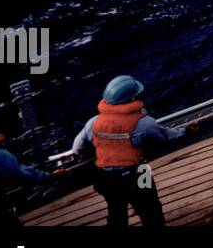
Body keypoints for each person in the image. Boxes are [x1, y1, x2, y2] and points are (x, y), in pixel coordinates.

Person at [71, 76, 193, 227]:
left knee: (116, 214)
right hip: (139, 172)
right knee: (151, 210)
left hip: (106, 177)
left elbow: (77, 149)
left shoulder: (93, 123)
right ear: (132, 98)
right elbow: (166, 136)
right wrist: (185, 131)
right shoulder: (144, 123)